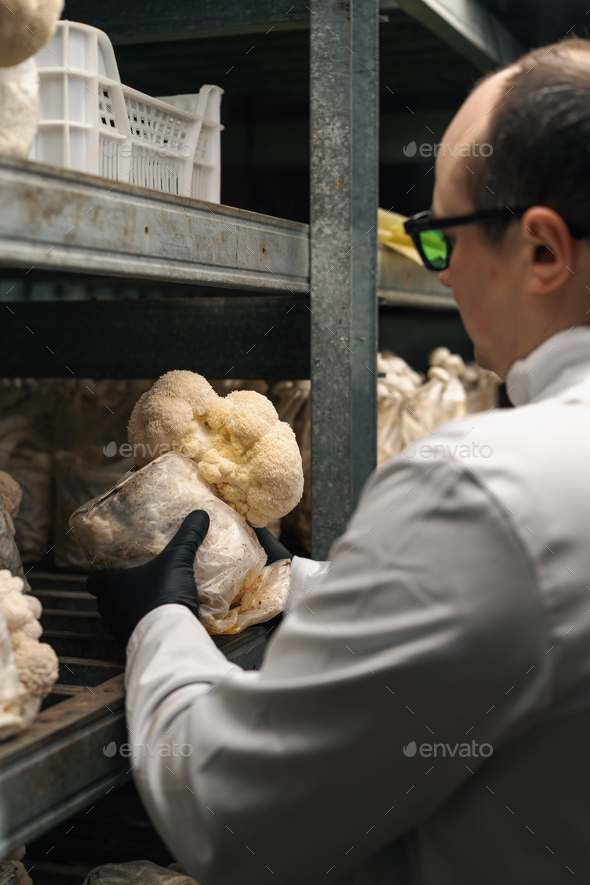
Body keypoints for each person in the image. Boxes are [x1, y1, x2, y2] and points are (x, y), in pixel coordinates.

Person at [88, 38, 590, 884]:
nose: (444, 273)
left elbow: (230, 809)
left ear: (542, 250)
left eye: (442, 236)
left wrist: (158, 624)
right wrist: (312, 583)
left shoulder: (485, 489)